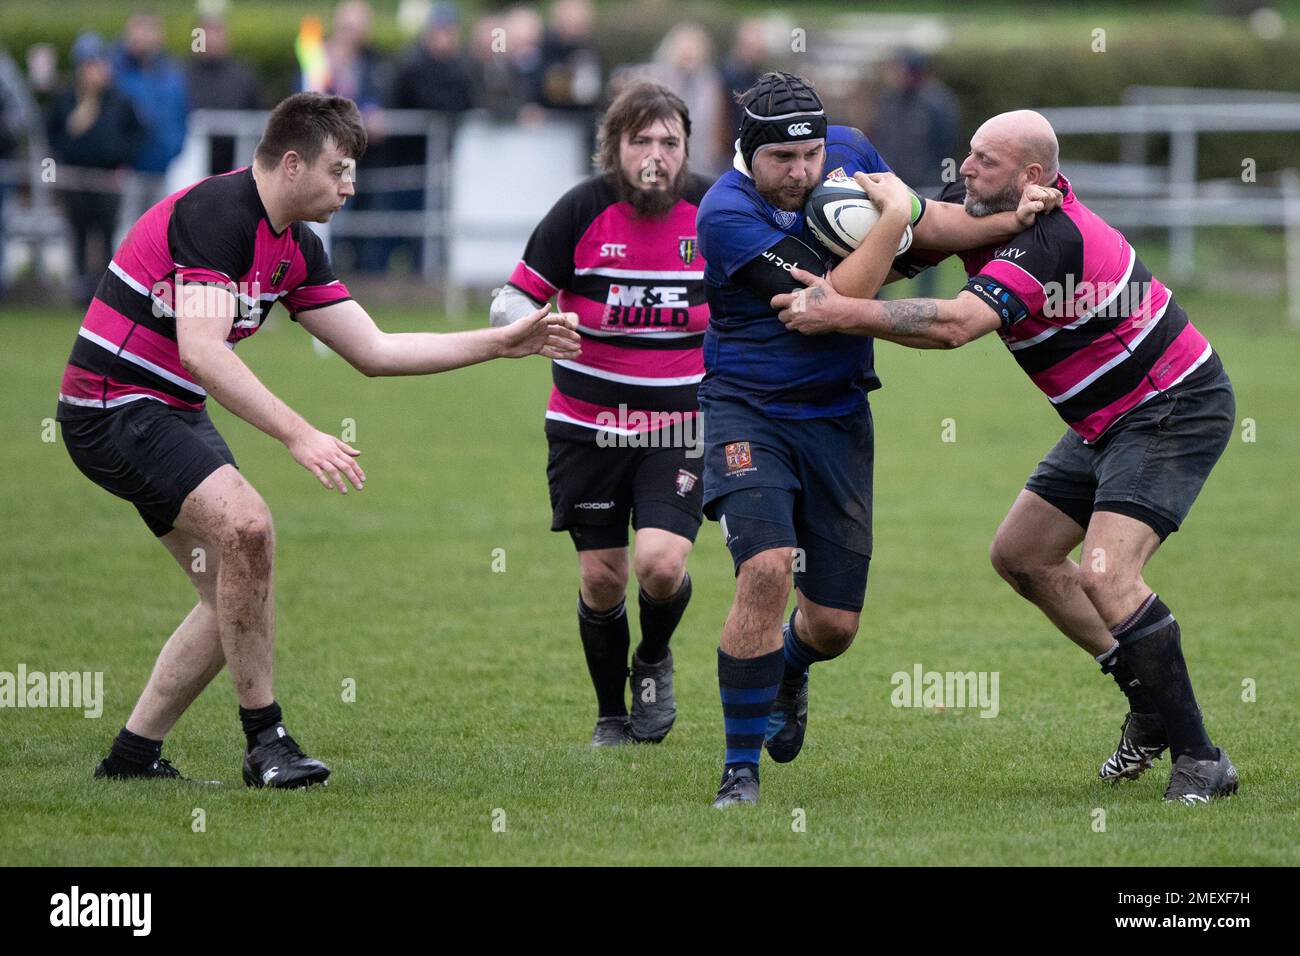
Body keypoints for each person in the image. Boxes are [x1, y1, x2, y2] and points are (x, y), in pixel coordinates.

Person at [57, 93, 579, 788]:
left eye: (354, 171)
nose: (350, 185)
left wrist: (502, 344)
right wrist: (298, 434)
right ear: (293, 162)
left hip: (167, 409)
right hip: (111, 405)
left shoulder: (295, 247)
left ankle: (130, 759)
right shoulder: (218, 215)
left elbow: (375, 350)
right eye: (339, 169)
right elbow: (203, 351)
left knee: (233, 585)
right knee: (247, 527)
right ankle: (266, 742)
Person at [772, 110, 1238, 805]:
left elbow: (956, 324)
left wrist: (836, 313)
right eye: (968, 153)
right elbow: (895, 253)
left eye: (984, 160)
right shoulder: (982, 212)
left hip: (1169, 404)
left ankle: (1201, 758)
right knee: (1022, 552)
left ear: (1030, 176)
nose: (965, 168)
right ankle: (1146, 700)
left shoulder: (1053, 235)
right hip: (1103, 419)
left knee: (1110, 578)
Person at [696, 73, 1060, 807]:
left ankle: (788, 667)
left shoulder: (851, 152)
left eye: (809, 154)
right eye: (782, 160)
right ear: (747, 151)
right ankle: (740, 772)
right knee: (765, 568)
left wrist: (1006, 221)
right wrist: (893, 224)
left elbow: (927, 224)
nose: (801, 171)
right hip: (749, 409)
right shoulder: (723, 213)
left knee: (832, 625)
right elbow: (834, 303)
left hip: (836, 413)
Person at [489, 83, 712, 746]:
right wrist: (523, 325)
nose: (655, 155)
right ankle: (612, 714)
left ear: (685, 149)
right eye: (640, 140)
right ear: (613, 147)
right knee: (602, 575)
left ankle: (653, 660)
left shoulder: (714, 209)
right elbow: (513, 295)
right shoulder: (582, 208)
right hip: (587, 427)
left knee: (662, 564)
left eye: (669, 142)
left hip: (680, 425)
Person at [47, 33, 144, 305]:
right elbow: (52, 134)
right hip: (76, 178)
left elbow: (136, 135)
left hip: (108, 179)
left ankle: (107, 290)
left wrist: (120, 158)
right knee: (78, 231)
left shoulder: (119, 100)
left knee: (107, 233)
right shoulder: (66, 100)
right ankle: (80, 289)